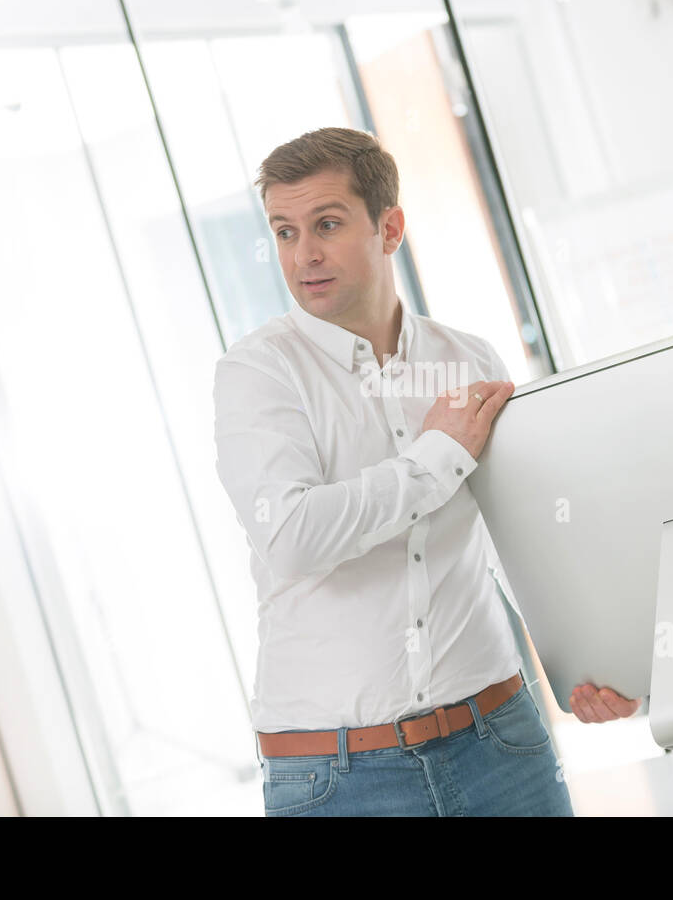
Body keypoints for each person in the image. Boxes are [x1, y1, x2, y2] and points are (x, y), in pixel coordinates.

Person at [212, 127, 639, 816]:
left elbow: (526, 540)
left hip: (501, 745)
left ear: (390, 228)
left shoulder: (470, 361)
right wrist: (437, 457)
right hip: (336, 777)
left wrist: (592, 662)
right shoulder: (257, 375)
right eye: (285, 232)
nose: (304, 255)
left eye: (326, 224)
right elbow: (291, 535)